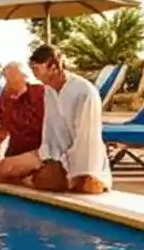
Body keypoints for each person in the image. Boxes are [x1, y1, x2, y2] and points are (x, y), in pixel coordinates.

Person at [27, 44, 111, 194]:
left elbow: (86, 139)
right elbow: (49, 130)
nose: (34, 75)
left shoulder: (84, 92)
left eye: (37, 69)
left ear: (53, 67)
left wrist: (71, 172)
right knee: (38, 178)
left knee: (84, 187)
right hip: (60, 158)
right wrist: (50, 159)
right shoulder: (49, 91)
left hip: (86, 162)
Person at [0, 62, 46, 184]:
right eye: (6, 78)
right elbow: (3, 131)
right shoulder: (5, 98)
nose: (8, 82)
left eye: (12, 77)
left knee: (4, 170)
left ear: (25, 77)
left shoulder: (41, 94)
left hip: (40, 150)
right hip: (16, 151)